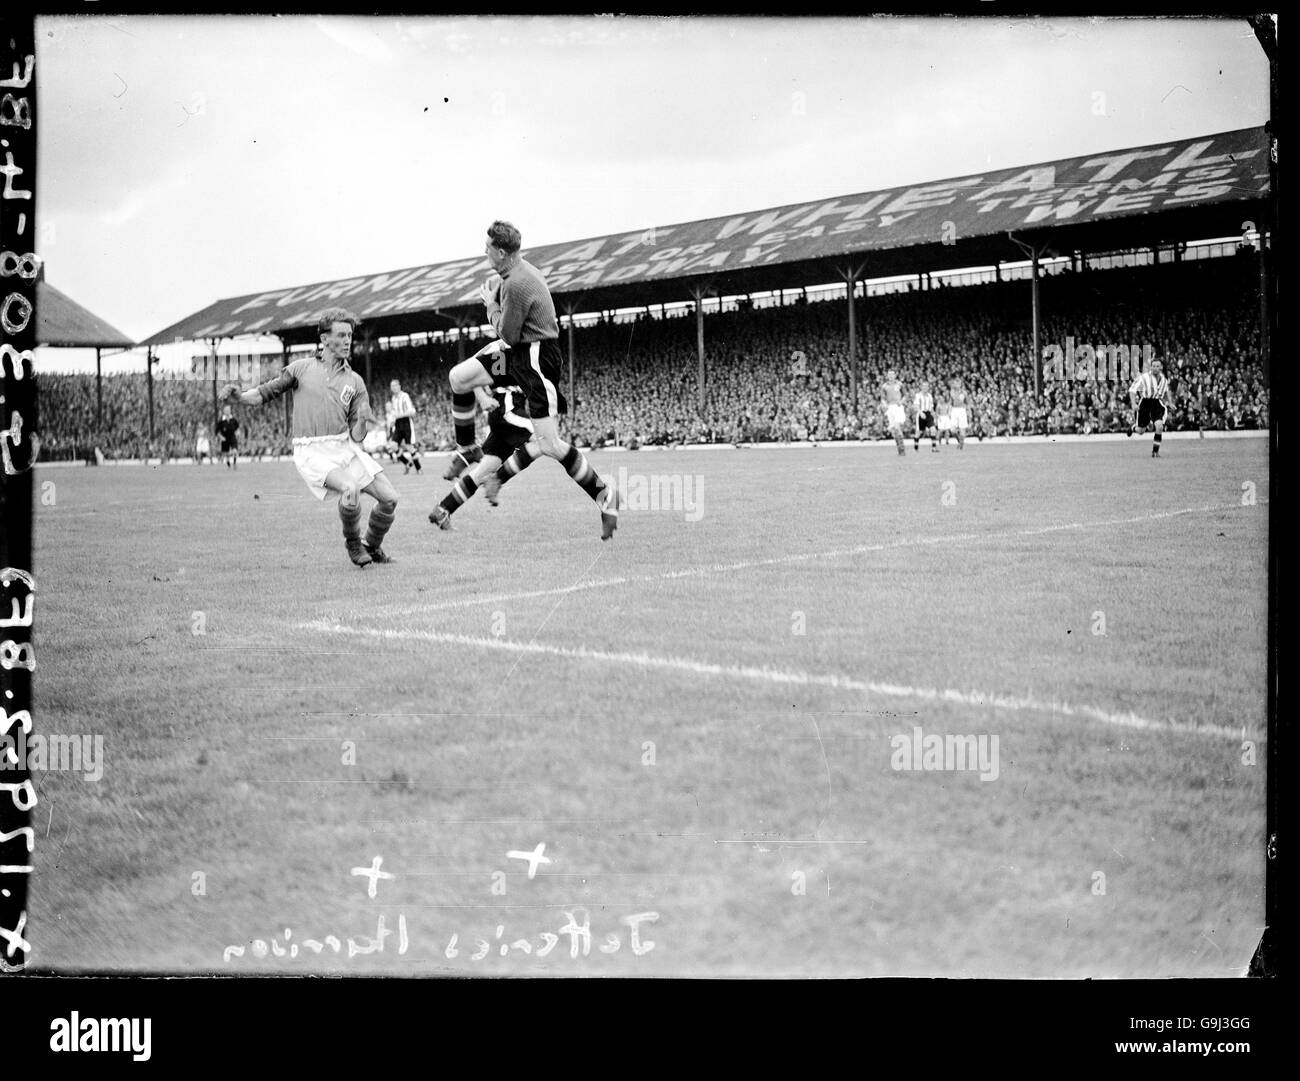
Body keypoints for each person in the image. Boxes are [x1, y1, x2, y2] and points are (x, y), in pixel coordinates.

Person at [430, 220, 619, 540]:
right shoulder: (515, 273)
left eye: (487, 246)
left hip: (535, 361)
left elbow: (507, 332)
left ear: (501, 252)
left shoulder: (517, 283)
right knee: (458, 378)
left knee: (550, 445)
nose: (483, 251)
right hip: (517, 354)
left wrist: (491, 307)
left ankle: (606, 497)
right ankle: (468, 448)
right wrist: (498, 305)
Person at [220, 308, 399, 566]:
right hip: (311, 451)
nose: (348, 340)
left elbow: (357, 437)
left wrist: (361, 421)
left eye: (349, 335)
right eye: (341, 334)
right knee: (350, 490)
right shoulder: (300, 369)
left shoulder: (356, 381)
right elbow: (264, 392)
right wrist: (239, 397)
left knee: (390, 499)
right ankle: (352, 542)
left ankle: (372, 546)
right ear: (325, 339)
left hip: (343, 446)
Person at [1128, 359, 1169, 458]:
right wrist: (1133, 403)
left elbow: (1166, 392)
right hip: (1145, 403)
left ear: (1161, 367)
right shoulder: (1144, 377)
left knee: (1159, 426)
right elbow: (1132, 390)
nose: (1155, 368)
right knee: (1141, 431)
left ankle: (1155, 452)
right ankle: (1133, 428)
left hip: (1156, 403)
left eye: (1157, 366)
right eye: (1153, 366)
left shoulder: (1164, 380)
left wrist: (1169, 402)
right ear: (1151, 367)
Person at [387, 378, 422, 474]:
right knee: (393, 445)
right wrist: (393, 420)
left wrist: (399, 415)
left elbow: (412, 411)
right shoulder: (393, 398)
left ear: (399, 386)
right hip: (398, 424)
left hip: (406, 422)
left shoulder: (405, 396)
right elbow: (394, 411)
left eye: (395, 385)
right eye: (391, 386)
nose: (393, 388)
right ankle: (407, 463)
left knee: (409, 447)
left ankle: (419, 469)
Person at [880, 369, 907, 456]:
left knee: (897, 426)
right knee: (894, 430)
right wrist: (884, 404)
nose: (891, 376)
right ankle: (899, 449)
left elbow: (905, 395)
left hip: (898, 407)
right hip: (890, 408)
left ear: (895, 375)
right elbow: (883, 398)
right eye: (889, 375)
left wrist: (901, 401)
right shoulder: (884, 386)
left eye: (892, 374)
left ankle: (902, 450)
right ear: (887, 376)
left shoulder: (899, 384)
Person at [913, 380, 938, 453]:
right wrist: (920, 413)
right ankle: (916, 448)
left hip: (928, 414)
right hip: (921, 414)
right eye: (924, 386)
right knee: (919, 432)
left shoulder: (930, 396)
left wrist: (934, 414)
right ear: (921, 387)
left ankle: (934, 448)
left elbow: (931, 407)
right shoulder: (918, 395)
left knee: (933, 429)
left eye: (926, 386)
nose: (925, 388)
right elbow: (916, 406)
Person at [948, 377, 969, 449]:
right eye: (955, 383)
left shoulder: (964, 393)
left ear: (960, 384)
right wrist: (949, 411)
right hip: (954, 410)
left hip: (962, 410)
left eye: (957, 383)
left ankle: (961, 445)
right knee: (952, 430)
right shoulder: (952, 392)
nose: (956, 385)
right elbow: (950, 402)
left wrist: (968, 411)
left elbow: (967, 403)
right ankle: (959, 441)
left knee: (962, 429)